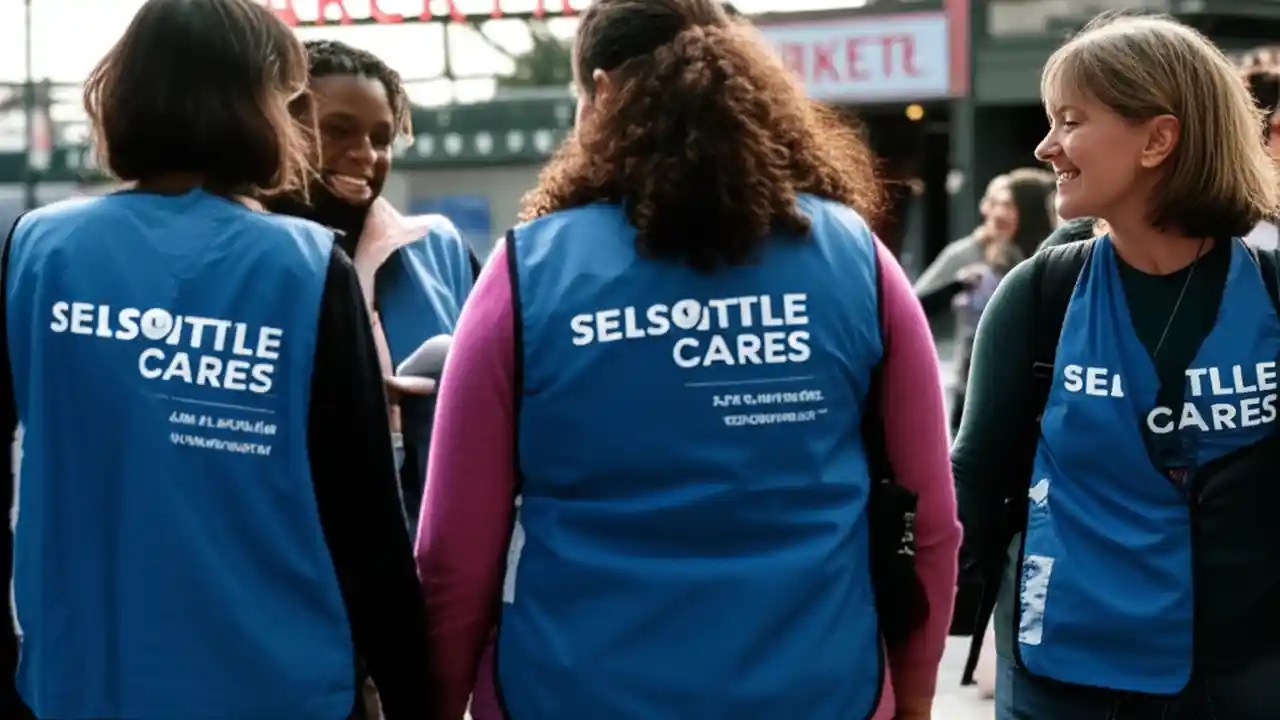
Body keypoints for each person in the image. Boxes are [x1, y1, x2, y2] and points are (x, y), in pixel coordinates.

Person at [414, 0, 961, 718]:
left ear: (602, 94)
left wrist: (440, 698)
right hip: (819, 689)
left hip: (571, 689)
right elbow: (932, 521)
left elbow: (455, 551)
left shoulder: (526, 274)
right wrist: (915, 696)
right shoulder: (858, 260)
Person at [0, 1, 430, 718]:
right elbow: (365, 526)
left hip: (83, 680)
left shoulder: (40, 252)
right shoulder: (304, 267)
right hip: (278, 685)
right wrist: (416, 695)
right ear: (259, 106)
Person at [956, 12, 1280, 719]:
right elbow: (971, 491)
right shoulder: (1040, 293)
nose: (1046, 147)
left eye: (1070, 121)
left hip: (1245, 680)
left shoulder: (1274, 290)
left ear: (1159, 139)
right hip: (1062, 676)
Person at [267, 39, 479, 520]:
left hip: (429, 554)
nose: (366, 155)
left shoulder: (440, 249)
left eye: (381, 138)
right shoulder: (244, 262)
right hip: (296, 551)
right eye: (337, 131)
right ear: (279, 131)